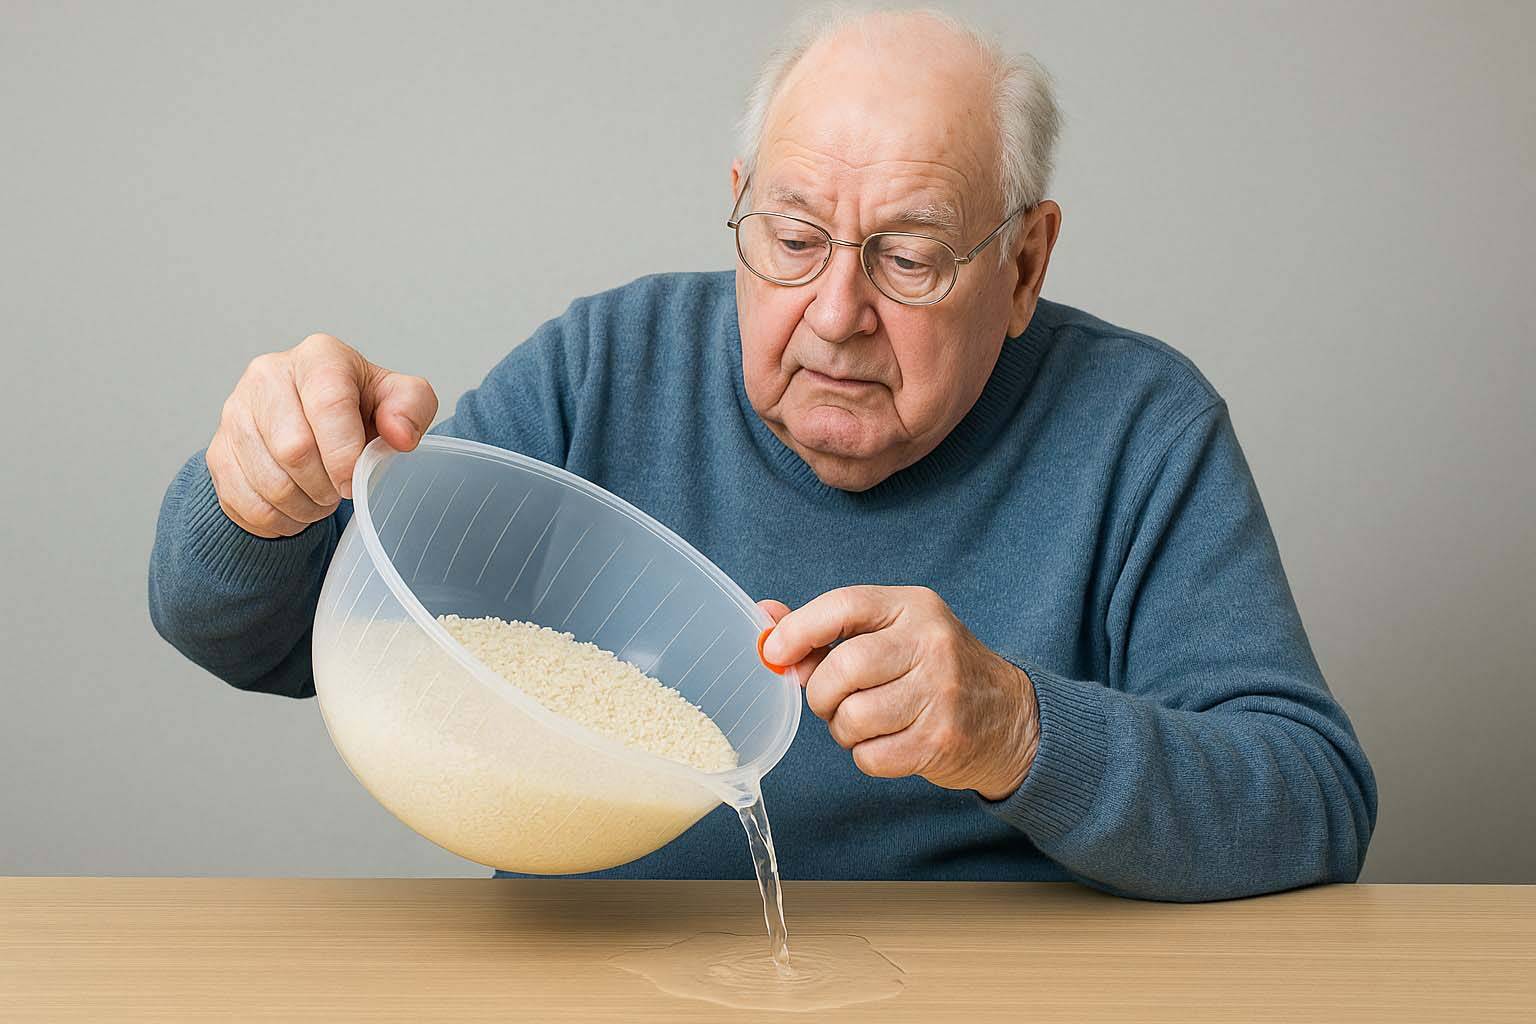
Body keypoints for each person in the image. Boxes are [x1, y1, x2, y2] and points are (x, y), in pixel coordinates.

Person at [149, 7, 1376, 900]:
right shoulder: (608, 367)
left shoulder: (1139, 429)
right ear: (738, 202)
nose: (836, 311)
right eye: (791, 236)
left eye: (907, 256)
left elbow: (1315, 806)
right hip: (603, 977)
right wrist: (259, 499)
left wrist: (1016, 726)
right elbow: (261, 635)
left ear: (1025, 264)